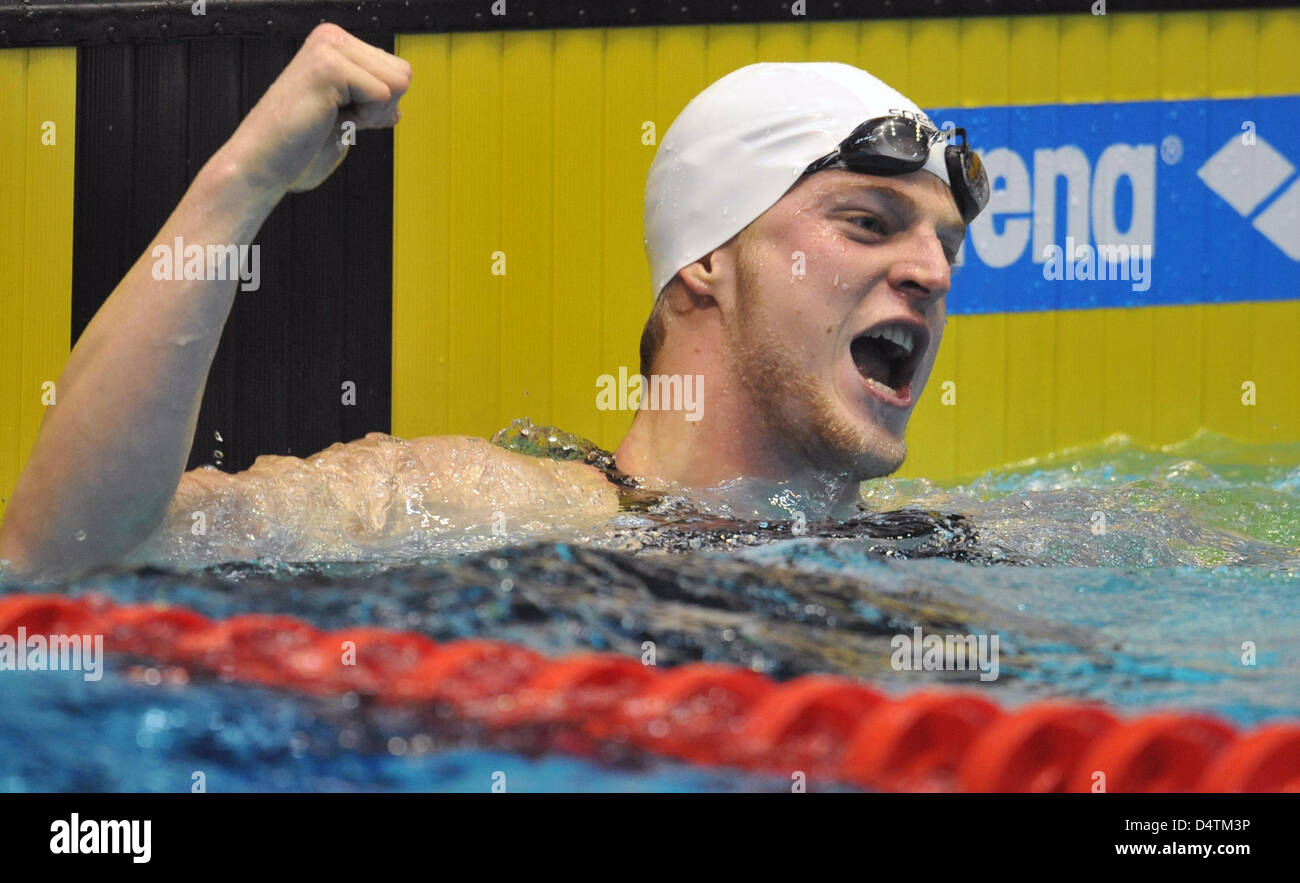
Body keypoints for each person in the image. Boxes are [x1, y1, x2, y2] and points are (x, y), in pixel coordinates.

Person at [0, 24, 987, 576]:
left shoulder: (950, 540)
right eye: (867, 223)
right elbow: (71, 549)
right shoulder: (489, 505)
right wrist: (239, 183)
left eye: (942, 243)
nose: (933, 273)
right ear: (707, 264)